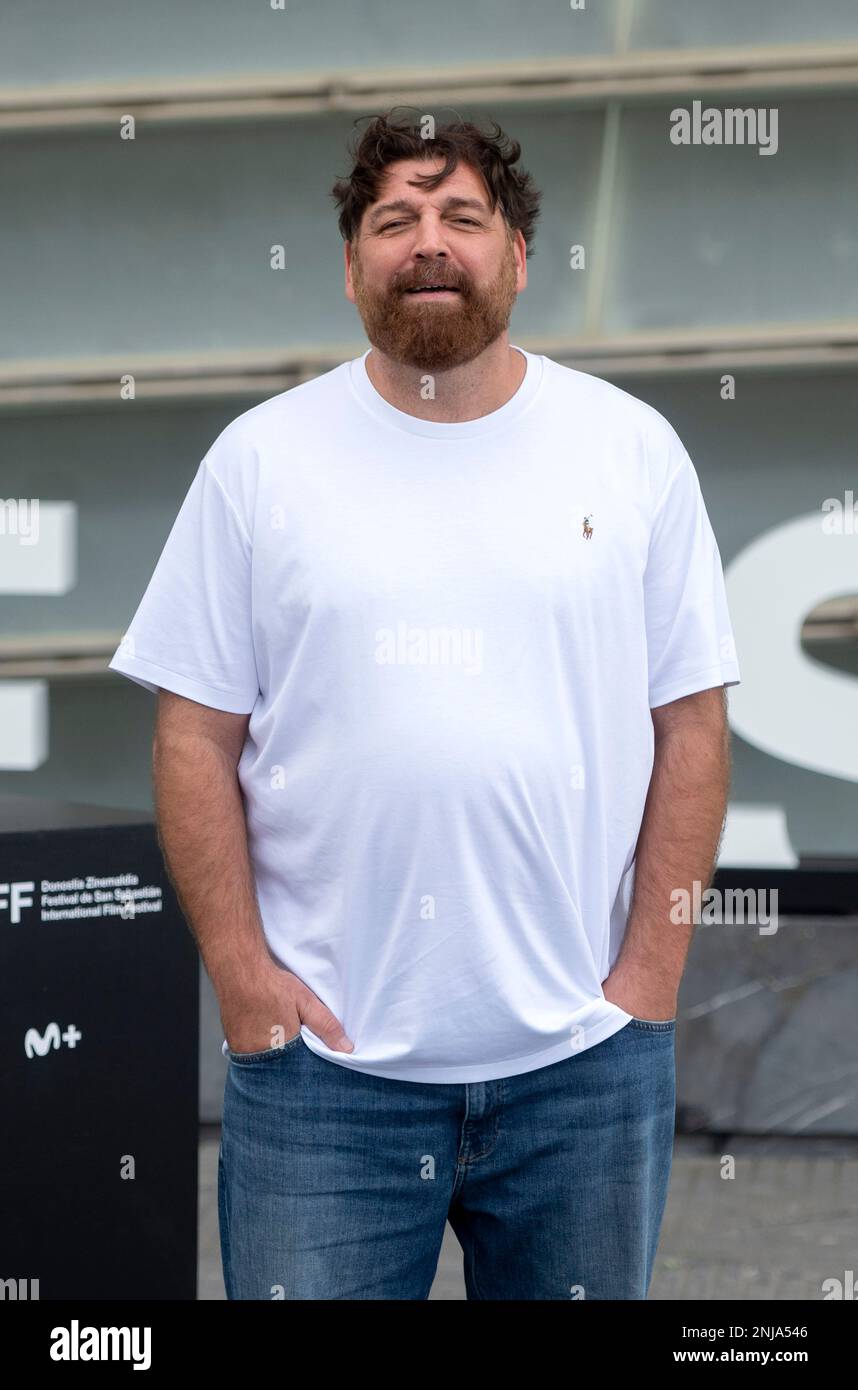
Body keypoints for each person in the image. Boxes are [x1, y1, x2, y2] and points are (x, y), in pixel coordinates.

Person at [109, 111, 741, 1300]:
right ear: (351, 268)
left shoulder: (632, 450)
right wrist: (245, 982)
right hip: (322, 1082)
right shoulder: (259, 462)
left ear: (517, 255)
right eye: (395, 220)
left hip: (584, 1067)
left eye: (462, 217)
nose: (430, 243)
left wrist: (649, 984)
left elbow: (691, 729)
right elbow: (194, 736)